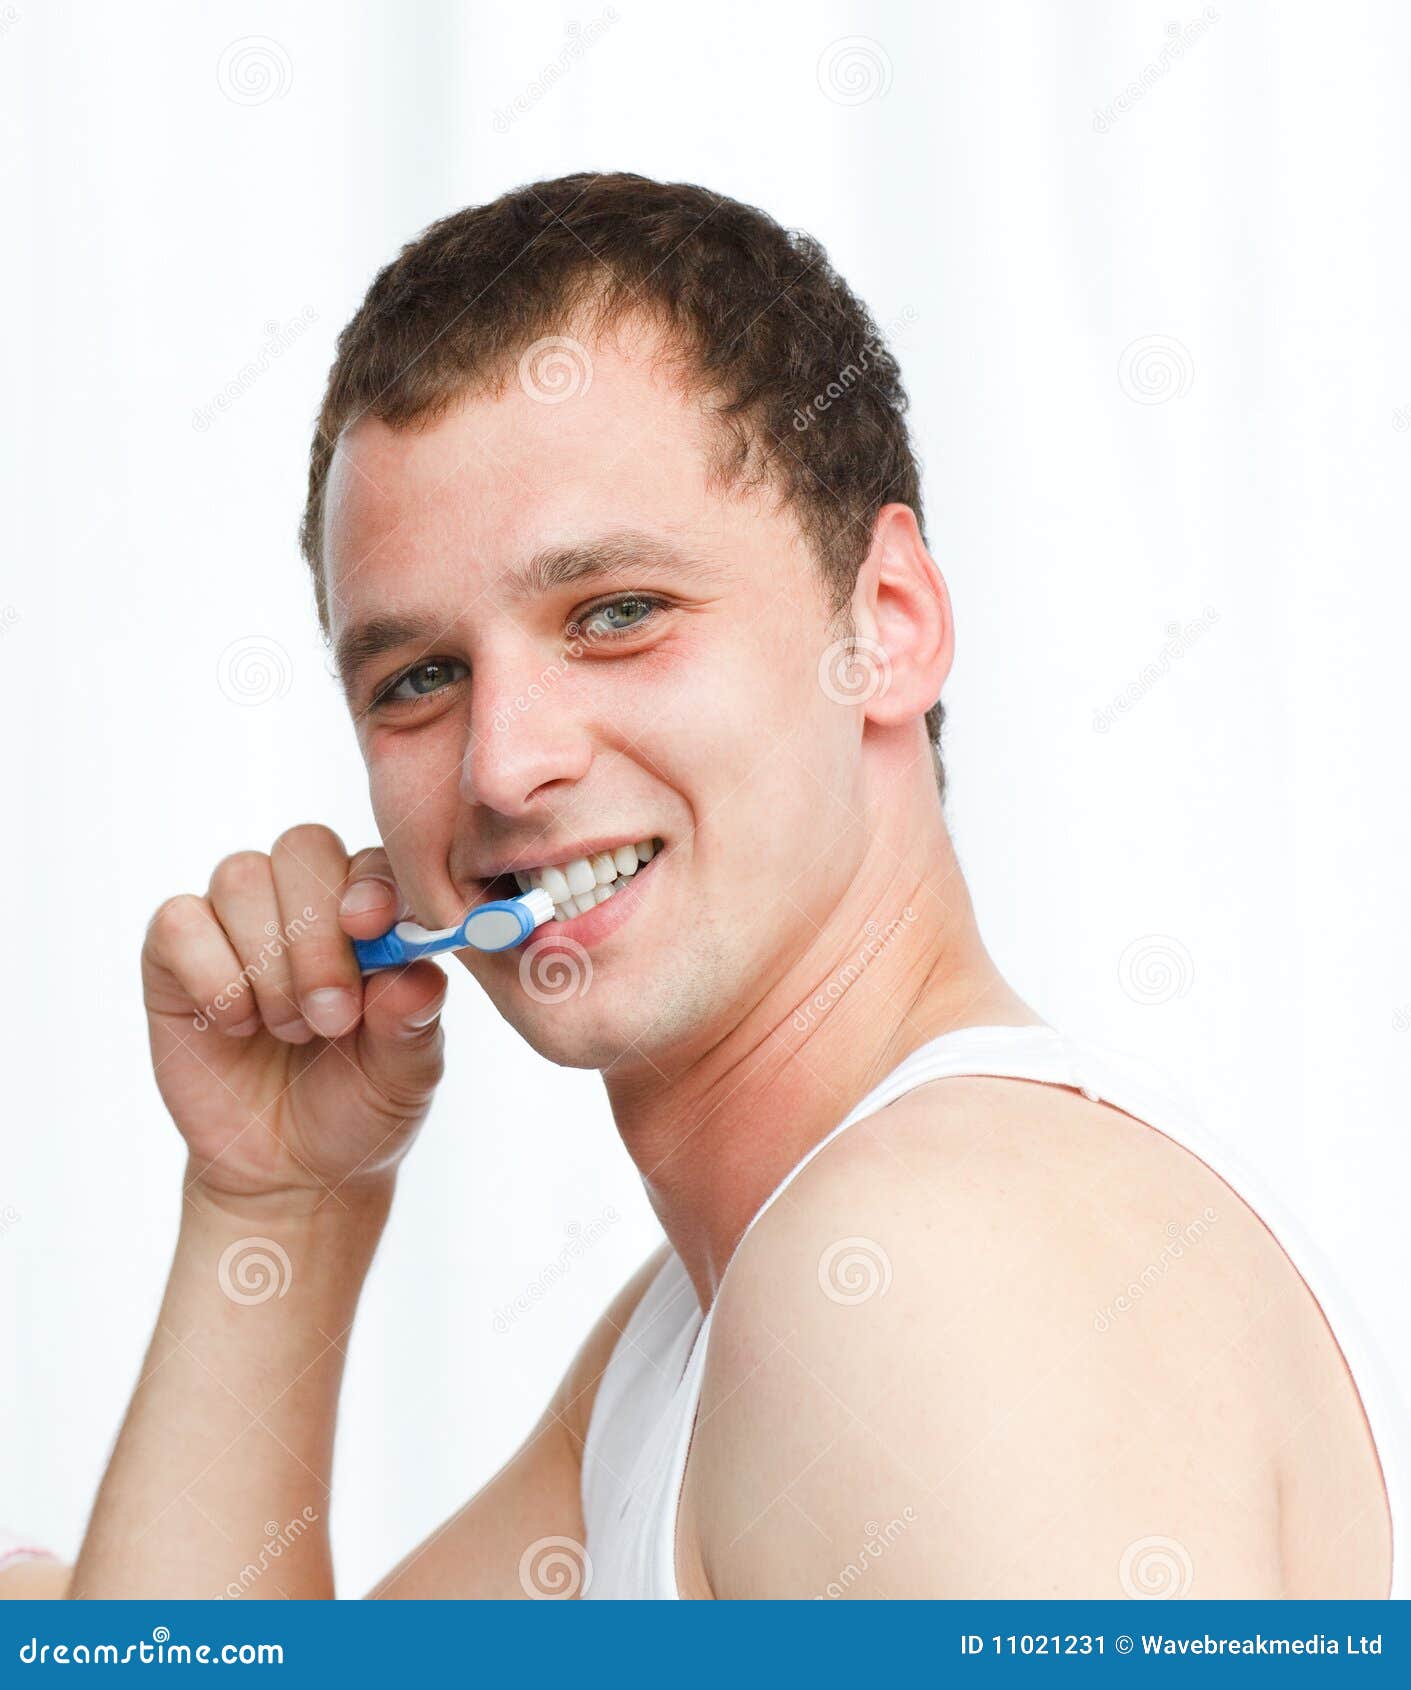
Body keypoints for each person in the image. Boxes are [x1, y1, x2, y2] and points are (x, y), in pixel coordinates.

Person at [22, 174, 1402, 1600]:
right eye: (419, 677)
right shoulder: (700, 1328)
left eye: (616, 612)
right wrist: (280, 1202)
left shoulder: (921, 1267)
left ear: (889, 622)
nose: (505, 762)